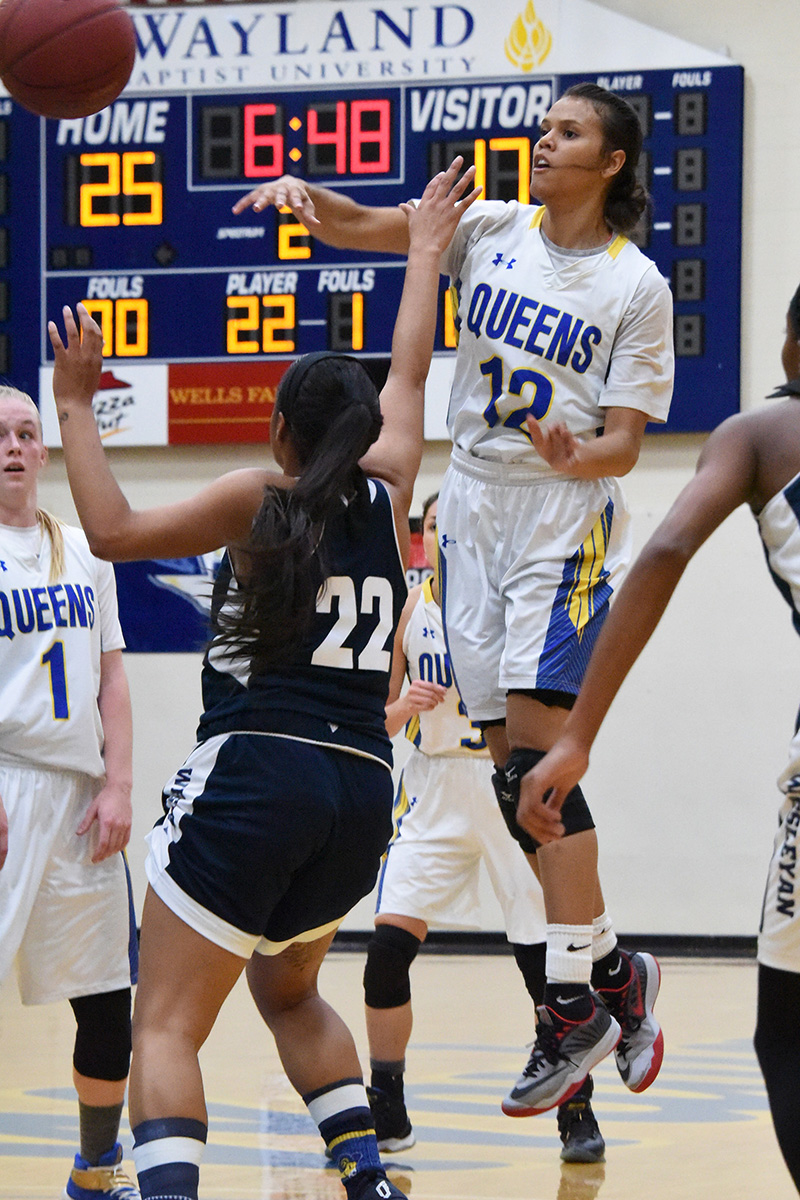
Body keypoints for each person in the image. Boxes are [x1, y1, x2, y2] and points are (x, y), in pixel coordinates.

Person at [234, 81, 672, 1115]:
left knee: (536, 759)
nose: (541, 141)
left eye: (565, 132)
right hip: (468, 507)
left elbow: (624, 440)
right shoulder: (489, 228)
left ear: (609, 161)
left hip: (556, 516)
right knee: (509, 766)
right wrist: (308, 197)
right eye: (542, 126)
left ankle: (571, 998)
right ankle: (610, 972)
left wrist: (578, 455)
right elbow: (374, 227)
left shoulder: (633, 284)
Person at [48, 159, 480, 1200]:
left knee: (165, 1020)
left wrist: (73, 402)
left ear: (281, 429)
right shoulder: (390, 487)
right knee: (289, 996)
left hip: (263, 772)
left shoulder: (262, 500)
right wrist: (423, 251)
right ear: (365, 430)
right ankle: (369, 1181)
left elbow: (108, 531)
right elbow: (411, 372)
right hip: (360, 792)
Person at [513, 331, 800, 1195]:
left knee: (784, 1033)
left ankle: (604, 982)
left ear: (789, 345)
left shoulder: (762, 435)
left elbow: (667, 549)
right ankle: (608, 978)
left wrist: (577, 735)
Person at [364, 492, 605, 1164]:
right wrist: (401, 706)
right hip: (434, 790)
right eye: (435, 524)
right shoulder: (413, 607)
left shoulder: (510, 606)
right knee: (384, 957)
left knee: (544, 969)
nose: (444, 534)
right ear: (424, 537)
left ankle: (576, 1111)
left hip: (505, 790)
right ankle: (387, 1105)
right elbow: (376, 716)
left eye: (454, 524)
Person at [0, 387, 139, 1200]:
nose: (14, 447)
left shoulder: (87, 550)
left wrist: (119, 782)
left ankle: (95, 1169)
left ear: (45, 452)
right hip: (7, 781)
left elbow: (111, 678)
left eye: (27, 433)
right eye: (1, 436)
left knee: (106, 1001)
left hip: (81, 795)